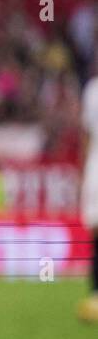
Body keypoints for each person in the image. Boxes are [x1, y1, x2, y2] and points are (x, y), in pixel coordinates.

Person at [78, 67, 98, 322]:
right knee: (95, 228)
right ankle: (95, 293)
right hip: (96, 167)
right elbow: (86, 135)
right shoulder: (93, 90)